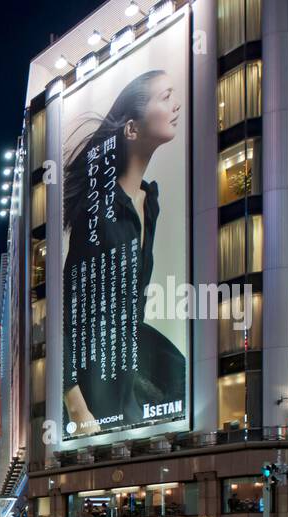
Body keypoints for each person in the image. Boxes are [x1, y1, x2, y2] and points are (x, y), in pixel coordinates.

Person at [62, 69, 186, 437]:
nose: (176, 104)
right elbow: (68, 312)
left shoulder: (150, 201)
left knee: (181, 382)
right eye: (165, 98)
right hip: (96, 371)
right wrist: (77, 407)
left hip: (131, 359)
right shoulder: (97, 209)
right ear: (131, 129)